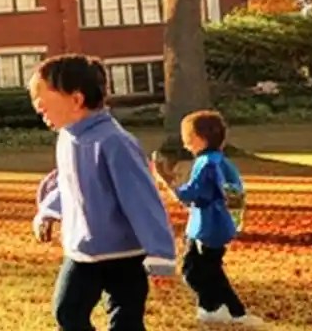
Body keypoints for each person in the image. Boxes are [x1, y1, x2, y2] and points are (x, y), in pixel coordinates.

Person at [30, 54, 177, 331]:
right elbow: (69, 183)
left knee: (126, 321)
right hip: (82, 254)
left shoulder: (114, 142)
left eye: (43, 101)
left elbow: (143, 202)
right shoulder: (67, 137)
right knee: (67, 313)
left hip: (124, 255)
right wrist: (49, 210)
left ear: (76, 100)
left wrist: (161, 256)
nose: (38, 108)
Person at [153, 111, 266, 327]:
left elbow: (192, 194)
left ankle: (231, 311)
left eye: (188, 138)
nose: (186, 144)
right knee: (206, 269)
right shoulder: (221, 162)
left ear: (200, 138)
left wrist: (166, 180)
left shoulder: (206, 163)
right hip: (217, 226)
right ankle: (212, 309)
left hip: (208, 227)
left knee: (195, 271)